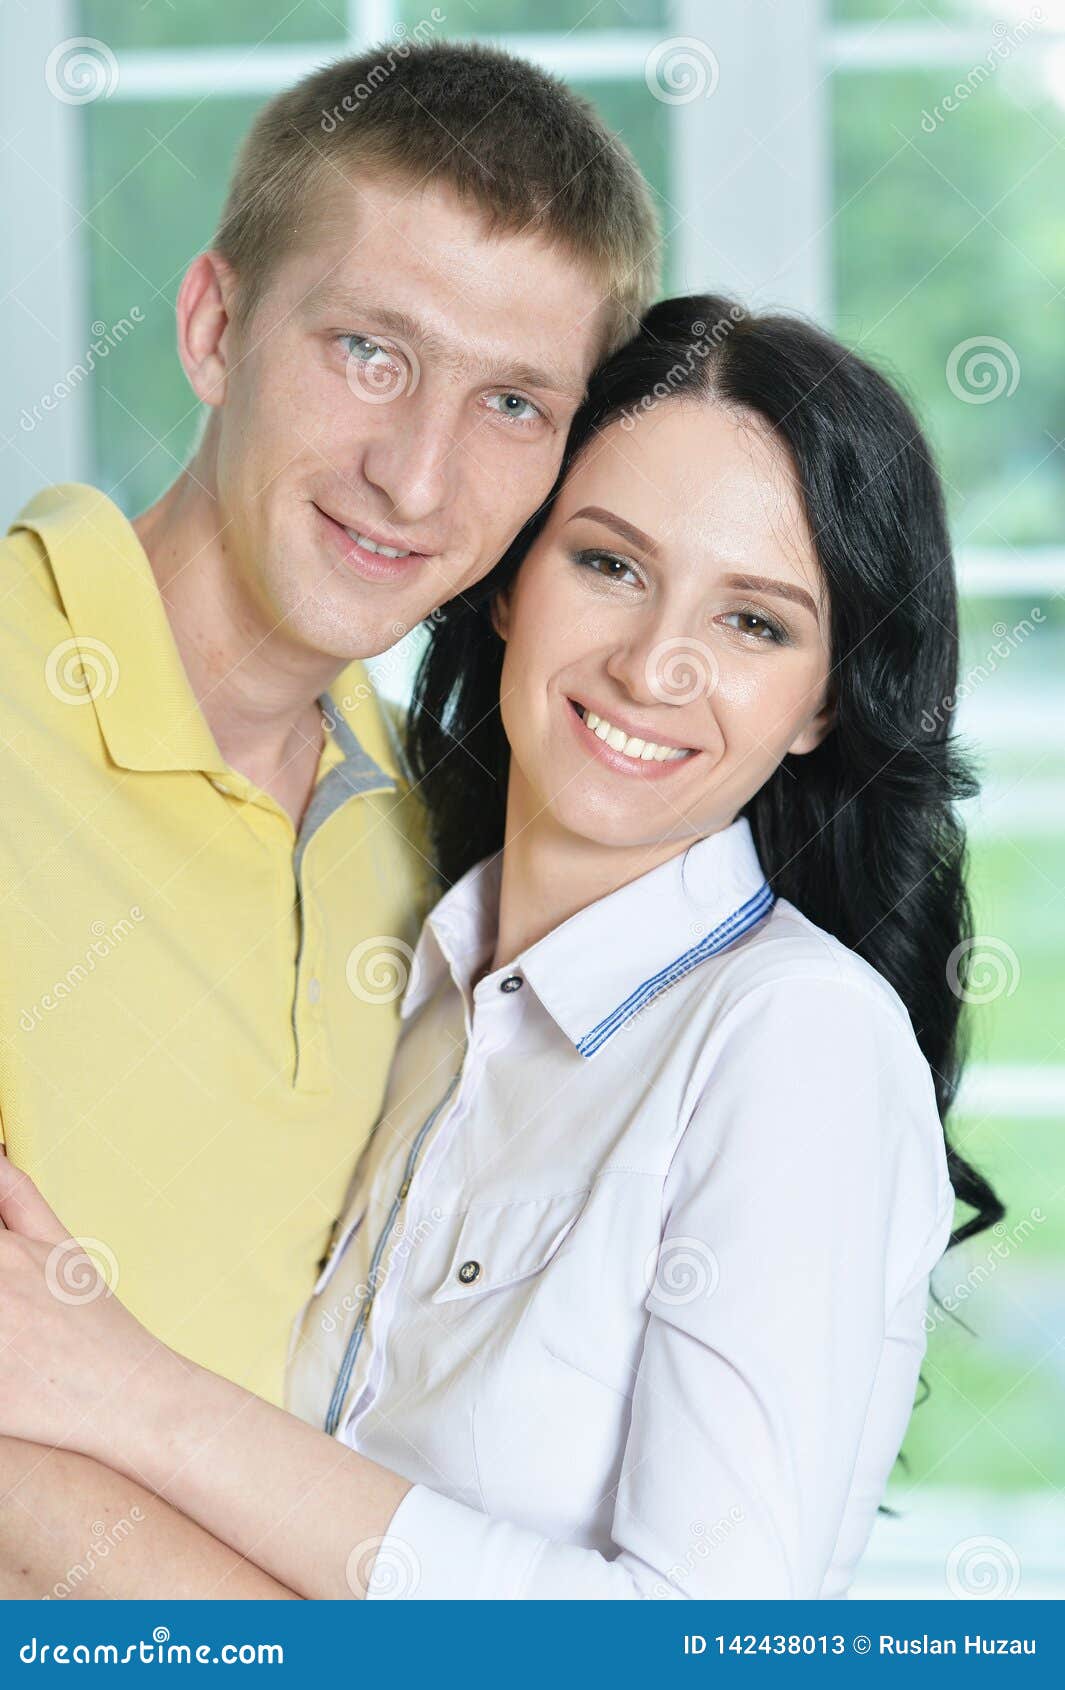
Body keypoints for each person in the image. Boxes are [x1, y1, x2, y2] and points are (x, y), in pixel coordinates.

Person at [0, 297, 1002, 1600]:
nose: (653, 665)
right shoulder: (419, 983)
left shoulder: (794, 1036)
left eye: (754, 623)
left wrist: (130, 1394)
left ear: (820, 703)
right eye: (610, 565)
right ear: (512, 582)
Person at [0, 41, 658, 1406]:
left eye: (512, 403)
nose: (415, 478)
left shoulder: (443, 841)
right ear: (214, 329)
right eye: (370, 352)